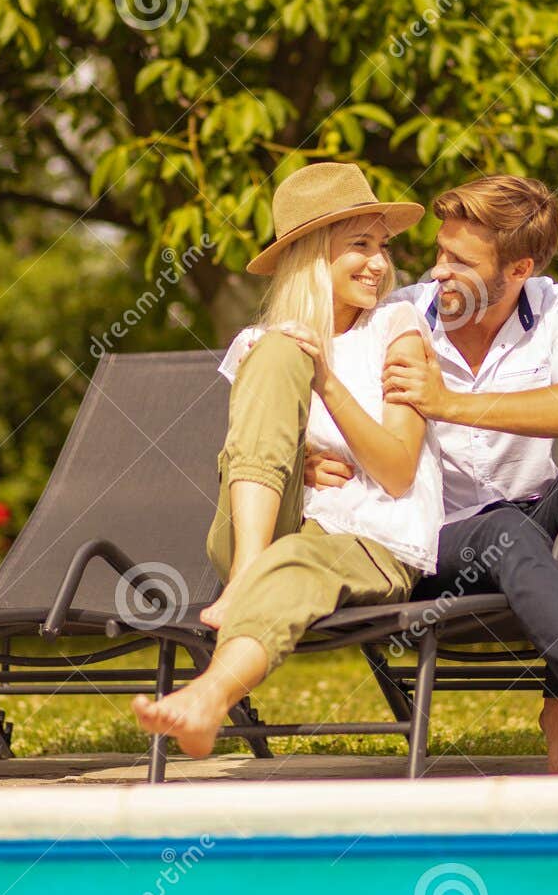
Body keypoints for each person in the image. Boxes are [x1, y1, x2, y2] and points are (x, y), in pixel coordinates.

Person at [306, 174, 558, 775]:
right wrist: (306, 458)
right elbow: (311, 382)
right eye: (439, 251)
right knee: (503, 531)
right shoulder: (396, 316)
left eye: (460, 262)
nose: (438, 271)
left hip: (534, 528)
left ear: (518, 269)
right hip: (428, 543)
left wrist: (449, 403)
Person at [133, 162, 444, 758]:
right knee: (278, 350)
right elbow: (246, 451)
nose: (379, 264)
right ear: (312, 255)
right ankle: (249, 572)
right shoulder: (262, 345)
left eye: (382, 247)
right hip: (262, 534)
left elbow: (399, 470)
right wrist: (299, 462)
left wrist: (327, 383)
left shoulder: (395, 328)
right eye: (360, 245)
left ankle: (207, 700)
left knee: (296, 561)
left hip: (367, 537)